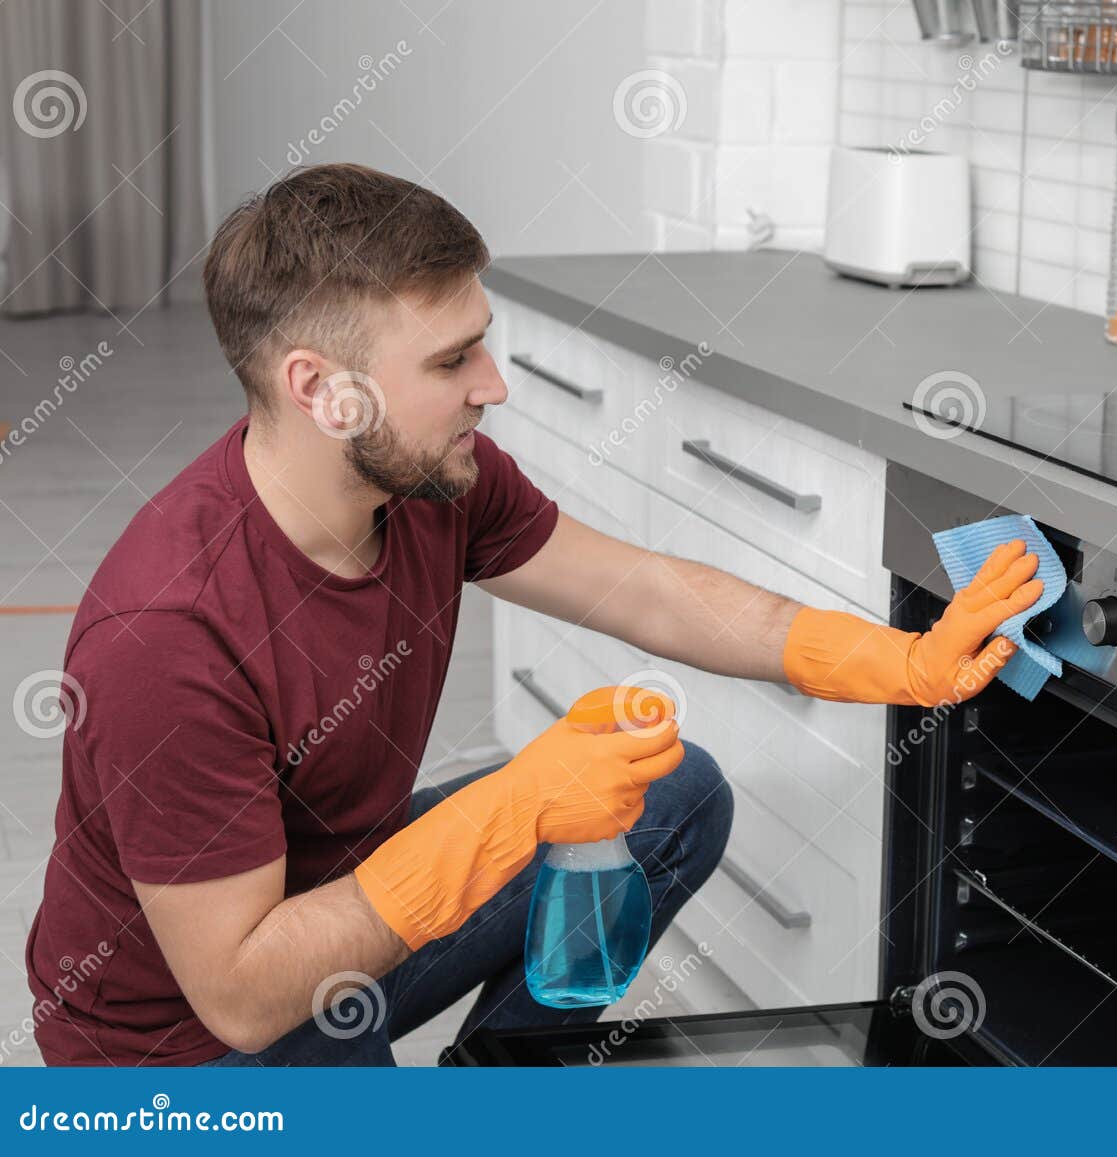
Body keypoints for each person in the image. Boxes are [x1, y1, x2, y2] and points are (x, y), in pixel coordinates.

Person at [24, 163, 1043, 1066]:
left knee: (670, 795)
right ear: (320, 391)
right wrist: (517, 808)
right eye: (450, 361)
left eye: (484, 345)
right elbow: (244, 997)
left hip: (338, 907)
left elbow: (644, 589)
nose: (493, 386)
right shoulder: (168, 636)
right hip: (186, 1048)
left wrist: (895, 659)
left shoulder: (430, 481)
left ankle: (502, 1081)